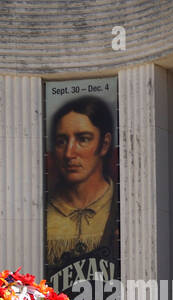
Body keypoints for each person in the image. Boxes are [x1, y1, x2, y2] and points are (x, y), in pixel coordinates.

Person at [45, 96, 118, 274]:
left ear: (105, 144)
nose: (69, 153)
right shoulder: (45, 211)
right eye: (62, 141)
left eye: (83, 139)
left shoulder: (121, 205)